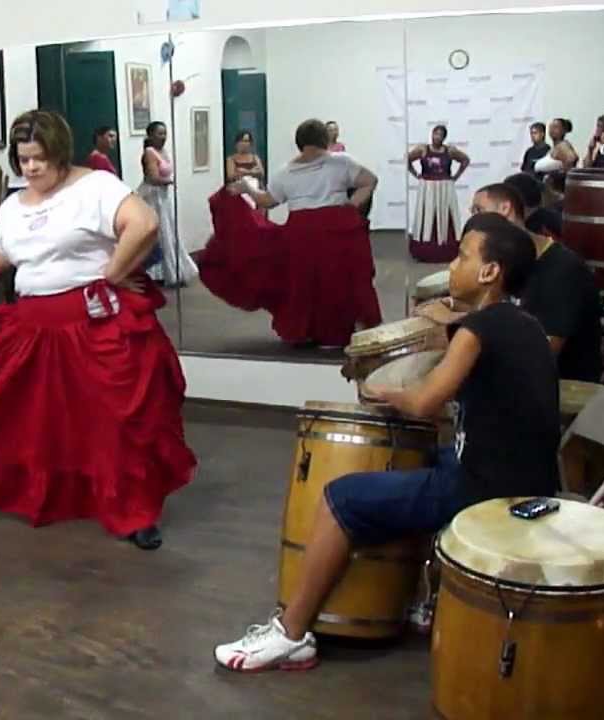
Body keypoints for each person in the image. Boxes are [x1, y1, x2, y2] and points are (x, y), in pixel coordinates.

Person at [214, 213, 560, 671]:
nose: (453, 266)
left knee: (341, 496)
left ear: (489, 272)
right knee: (417, 456)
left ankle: (291, 634)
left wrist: (383, 392)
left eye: (462, 256)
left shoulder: (479, 332)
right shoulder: (521, 323)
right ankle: (418, 598)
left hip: (487, 491)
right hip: (526, 478)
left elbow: (424, 404)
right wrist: (447, 316)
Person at [0, 109, 197, 551]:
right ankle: (69, 494)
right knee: (43, 420)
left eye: (40, 159)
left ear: (60, 154)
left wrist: (111, 273)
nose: (31, 168)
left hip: (94, 324)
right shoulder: (13, 206)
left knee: (118, 419)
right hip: (35, 326)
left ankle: (135, 511)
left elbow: (143, 223)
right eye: (24, 159)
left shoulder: (96, 187)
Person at [420, 182, 602, 382]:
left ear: (506, 209)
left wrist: (454, 327)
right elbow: (505, 317)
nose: (475, 220)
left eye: (479, 210)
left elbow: (537, 355)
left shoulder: (562, 271)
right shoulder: (515, 262)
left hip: (557, 386)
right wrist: (455, 308)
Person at [230, 118, 380, 348]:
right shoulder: (341, 162)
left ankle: (307, 330)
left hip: (301, 231)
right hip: (337, 226)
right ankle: (338, 333)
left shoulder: (285, 171)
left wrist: (247, 188)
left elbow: (268, 201)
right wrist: (351, 207)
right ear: (324, 139)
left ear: (299, 142)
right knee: (341, 280)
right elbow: (370, 181)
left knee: (305, 282)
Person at [138, 121, 197, 286]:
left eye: (165, 133)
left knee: (170, 233)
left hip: (163, 197)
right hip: (153, 197)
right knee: (160, 234)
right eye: (159, 134)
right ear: (150, 135)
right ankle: (156, 272)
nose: (163, 137)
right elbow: (152, 177)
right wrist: (167, 181)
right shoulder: (149, 153)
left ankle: (173, 270)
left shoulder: (162, 152)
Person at [407, 124, 470, 263]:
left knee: (445, 215)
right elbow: (407, 159)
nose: (437, 137)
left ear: (444, 137)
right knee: (427, 215)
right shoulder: (423, 149)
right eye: (435, 133)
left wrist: (456, 177)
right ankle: (424, 248)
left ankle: (445, 247)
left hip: (445, 187)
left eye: (440, 134)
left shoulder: (450, 151)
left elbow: (465, 160)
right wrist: (416, 174)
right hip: (427, 187)